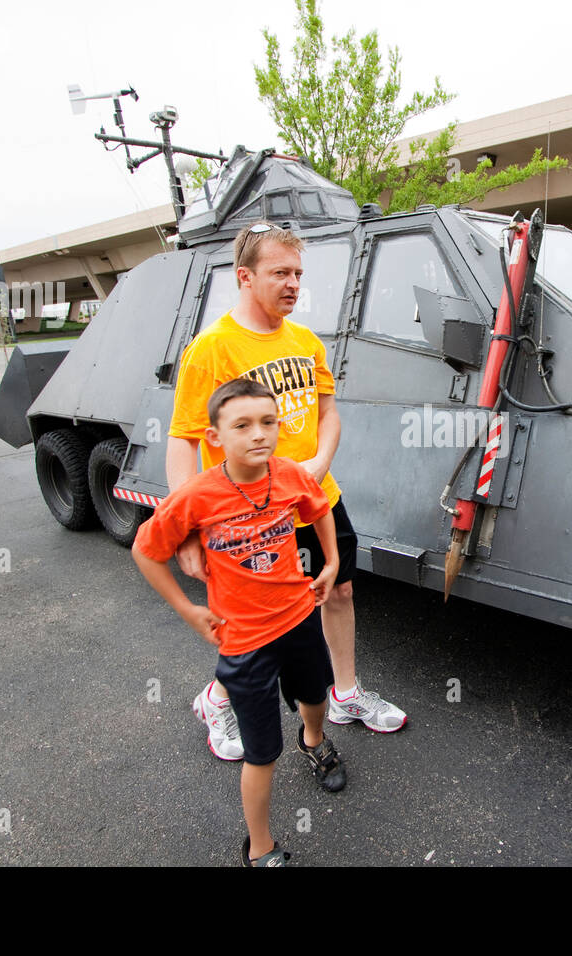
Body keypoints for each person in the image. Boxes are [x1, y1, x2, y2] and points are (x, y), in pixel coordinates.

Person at [166, 220, 405, 762]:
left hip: (317, 501)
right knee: (262, 621)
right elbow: (182, 440)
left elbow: (327, 414)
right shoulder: (211, 349)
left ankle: (344, 694)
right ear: (244, 276)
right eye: (281, 272)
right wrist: (185, 527)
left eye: (298, 272)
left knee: (338, 591)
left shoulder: (306, 341)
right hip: (248, 516)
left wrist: (317, 466)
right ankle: (217, 699)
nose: (294, 283)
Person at [134, 378, 345, 866]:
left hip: (299, 618)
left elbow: (320, 509)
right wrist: (187, 609)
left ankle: (313, 741)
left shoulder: (290, 474)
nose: (259, 434)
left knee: (316, 696)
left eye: (268, 422)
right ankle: (260, 847)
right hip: (244, 641)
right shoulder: (198, 495)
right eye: (243, 425)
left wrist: (331, 564)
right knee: (261, 752)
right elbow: (147, 551)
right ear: (215, 437)